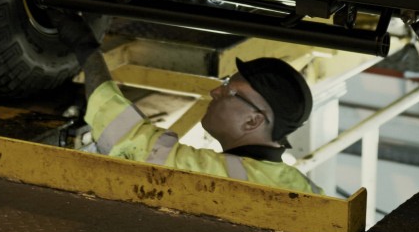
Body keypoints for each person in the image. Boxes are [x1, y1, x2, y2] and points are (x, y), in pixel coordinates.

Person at [49, 10, 321, 193]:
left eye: (228, 90)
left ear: (253, 120)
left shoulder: (227, 177)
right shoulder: (303, 188)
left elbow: (130, 140)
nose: (215, 92)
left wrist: (85, 47)